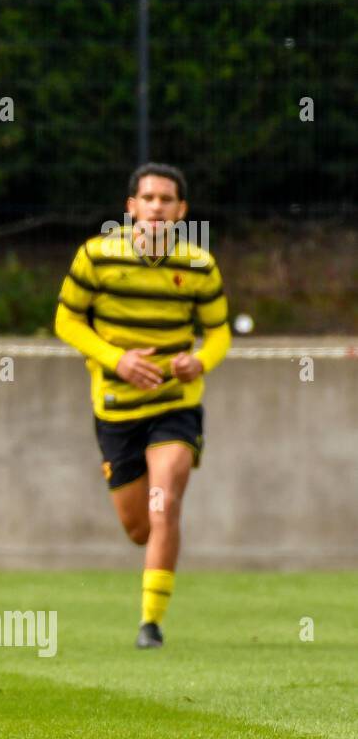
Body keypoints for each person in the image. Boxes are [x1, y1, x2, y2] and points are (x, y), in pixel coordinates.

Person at [54, 163, 232, 648]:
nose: (157, 207)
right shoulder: (96, 257)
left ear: (181, 210)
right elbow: (67, 321)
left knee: (165, 502)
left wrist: (200, 361)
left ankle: (150, 624)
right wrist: (118, 360)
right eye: (148, 198)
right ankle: (152, 587)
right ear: (131, 207)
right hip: (116, 410)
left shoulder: (199, 265)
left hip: (176, 405)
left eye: (166, 199)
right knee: (138, 527)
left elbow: (219, 332)